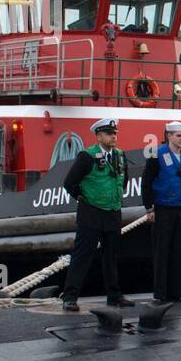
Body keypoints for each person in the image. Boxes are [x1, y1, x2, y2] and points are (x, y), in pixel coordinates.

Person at [61, 117, 133, 312]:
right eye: (109, 134)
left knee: (111, 256)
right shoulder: (87, 156)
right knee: (82, 256)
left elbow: (124, 179)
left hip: (112, 212)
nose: (113, 136)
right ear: (99, 136)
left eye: (115, 133)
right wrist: (84, 198)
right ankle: (70, 297)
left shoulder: (119, 155)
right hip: (91, 213)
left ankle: (114, 296)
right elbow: (69, 183)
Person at [142, 120, 181, 302]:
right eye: (178, 136)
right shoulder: (156, 155)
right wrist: (149, 207)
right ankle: (161, 293)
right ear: (169, 136)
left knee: (180, 252)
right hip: (163, 208)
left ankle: (179, 292)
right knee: (162, 252)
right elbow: (147, 182)